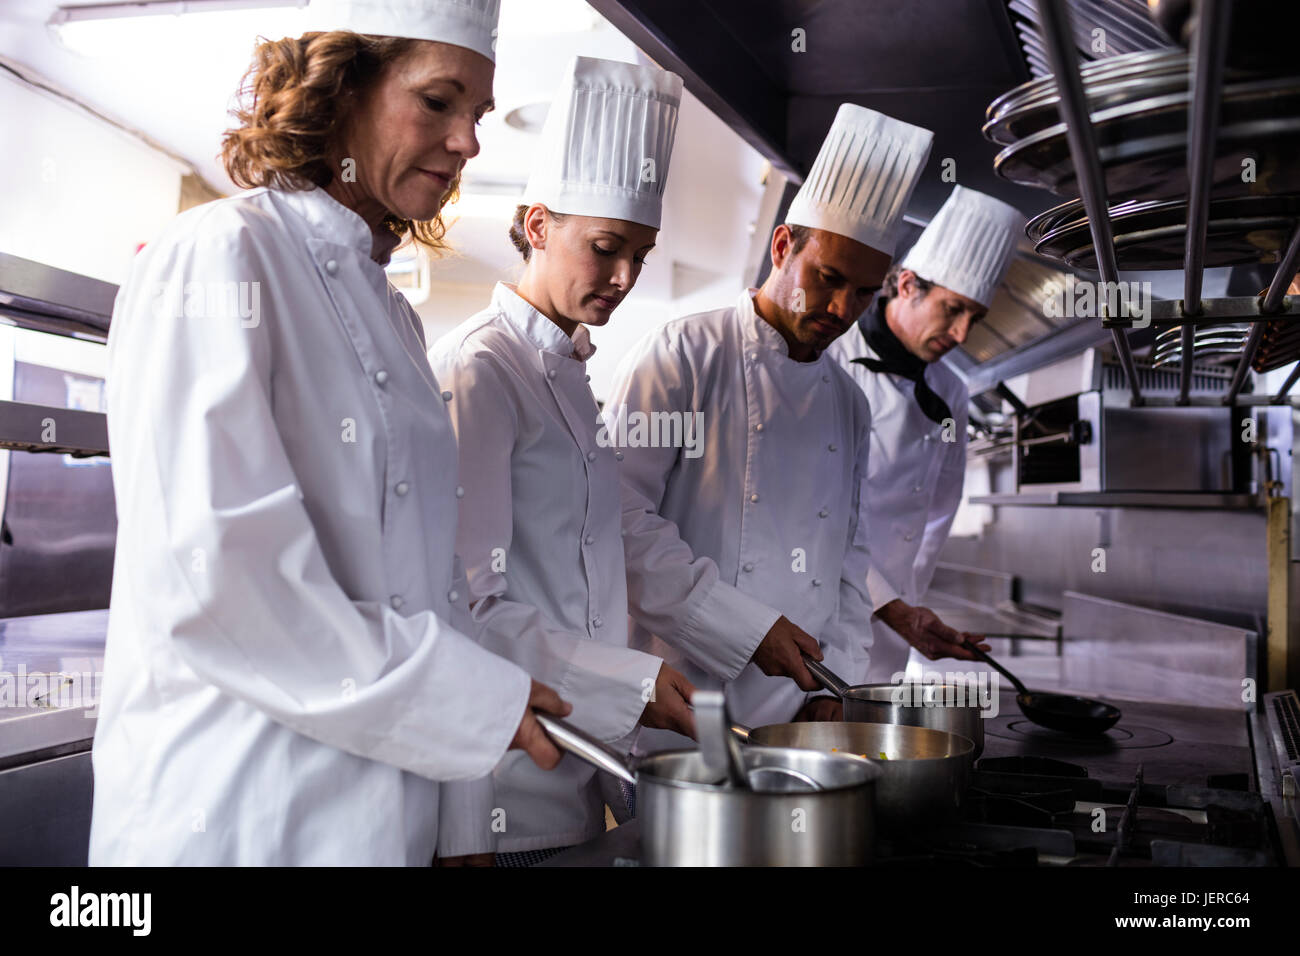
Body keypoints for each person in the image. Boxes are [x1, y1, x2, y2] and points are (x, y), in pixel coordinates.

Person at [88, 0, 570, 867]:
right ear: (338, 88)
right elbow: (219, 581)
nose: (468, 142)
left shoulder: (396, 316)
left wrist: (462, 827)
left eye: (478, 116)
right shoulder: (218, 256)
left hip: (383, 829)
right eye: (438, 101)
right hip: (238, 819)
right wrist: (471, 706)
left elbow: (432, 595)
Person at [428, 56, 695, 866]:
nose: (623, 278)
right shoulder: (480, 369)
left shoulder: (573, 378)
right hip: (503, 787)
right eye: (607, 247)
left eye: (640, 256)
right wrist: (632, 683)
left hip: (578, 775)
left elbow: (604, 547)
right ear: (537, 225)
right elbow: (467, 607)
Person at [606, 104, 933, 748]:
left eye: (864, 293)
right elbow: (619, 521)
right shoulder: (684, 355)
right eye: (829, 278)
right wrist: (741, 628)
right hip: (685, 709)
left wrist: (840, 686)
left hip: (800, 717)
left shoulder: (847, 400)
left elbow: (849, 559)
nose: (841, 309)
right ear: (784, 247)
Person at [827, 185, 1021, 681]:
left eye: (974, 319)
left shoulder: (951, 389)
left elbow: (936, 515)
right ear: (908, 284)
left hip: (892, 634)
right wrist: (894, 608)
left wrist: (910, 613)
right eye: (953, 309)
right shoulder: (829, 361)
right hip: (815, 617)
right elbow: (813, 513)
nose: (961, 335)